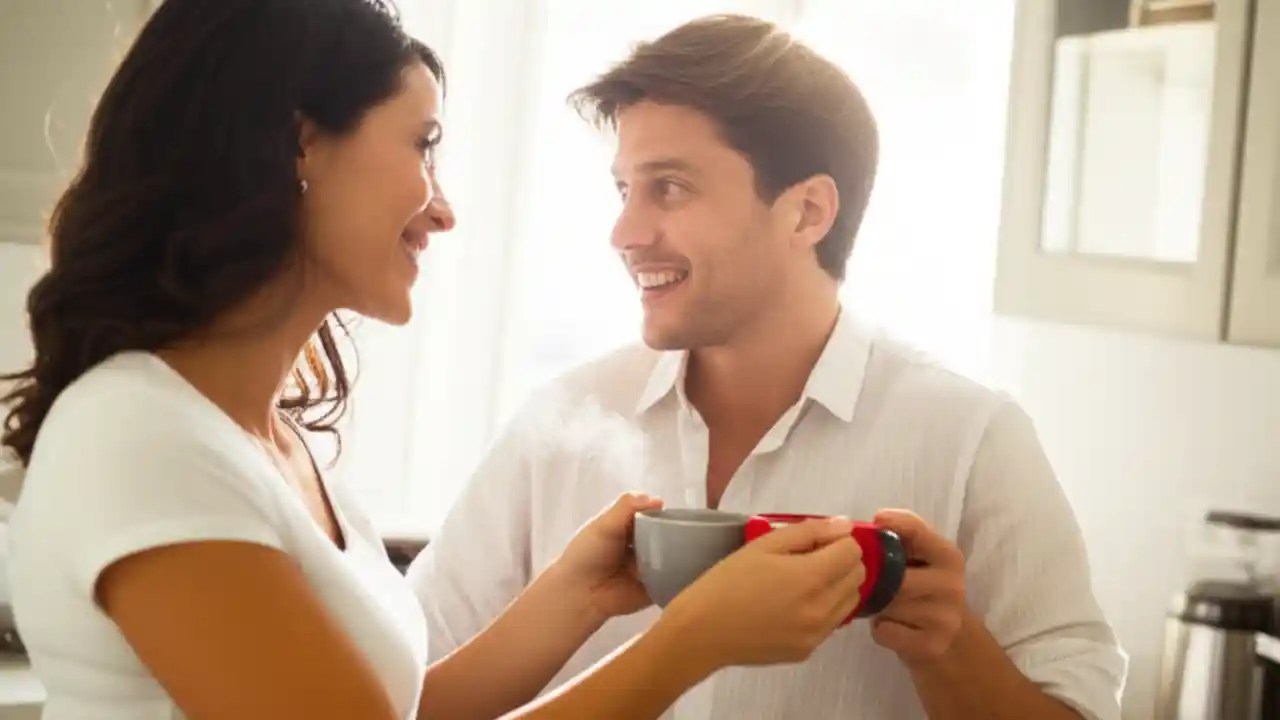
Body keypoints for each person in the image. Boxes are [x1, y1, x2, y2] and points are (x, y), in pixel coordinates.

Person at [0, 2, 871, 718]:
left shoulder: (277, 449)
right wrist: (692, 644)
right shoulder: (141, 438)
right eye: (423, 145)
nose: (443, 208)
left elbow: (393, 711)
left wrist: (574, 599)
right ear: (300, 145)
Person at [410, 13, 1128, 720]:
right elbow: (403, 694)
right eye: (625, 190)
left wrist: (951, 646)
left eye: (671, 187)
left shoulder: (970, 439)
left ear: (807, 212)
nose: (624, 233)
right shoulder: (557, 427)